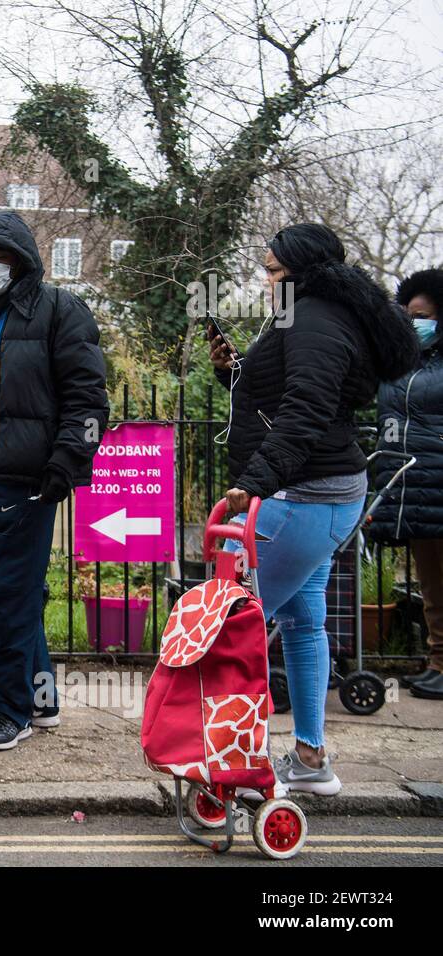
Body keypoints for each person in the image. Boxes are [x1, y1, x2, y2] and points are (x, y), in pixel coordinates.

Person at [210, 223, 419, 792]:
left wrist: (253, 483)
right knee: (303, 625)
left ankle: (231, 767)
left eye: (275, 271)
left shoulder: (313, 318)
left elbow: (305, 411)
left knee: (228, 634)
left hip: (301, 497)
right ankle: (309, 760)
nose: (267, 279)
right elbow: (290, 397)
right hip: (324, 496)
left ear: (306, 271)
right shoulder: (317, 314)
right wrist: (232, 373)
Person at [0, 211, 108, 752]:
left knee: (8, 597)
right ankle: (39, 701)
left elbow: (88, 400)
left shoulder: (60, 311)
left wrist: (66, 461)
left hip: (26, 481)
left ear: (24, 259)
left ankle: (12, 709)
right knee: (7, 591)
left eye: (0, 255)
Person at [368, 268, 443, 701]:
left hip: (435, 481)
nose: (414, 323)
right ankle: (438, 662)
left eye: (422, 315)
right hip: (413, 486)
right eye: (408, 314)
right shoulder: (401, 361)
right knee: (432, 586)